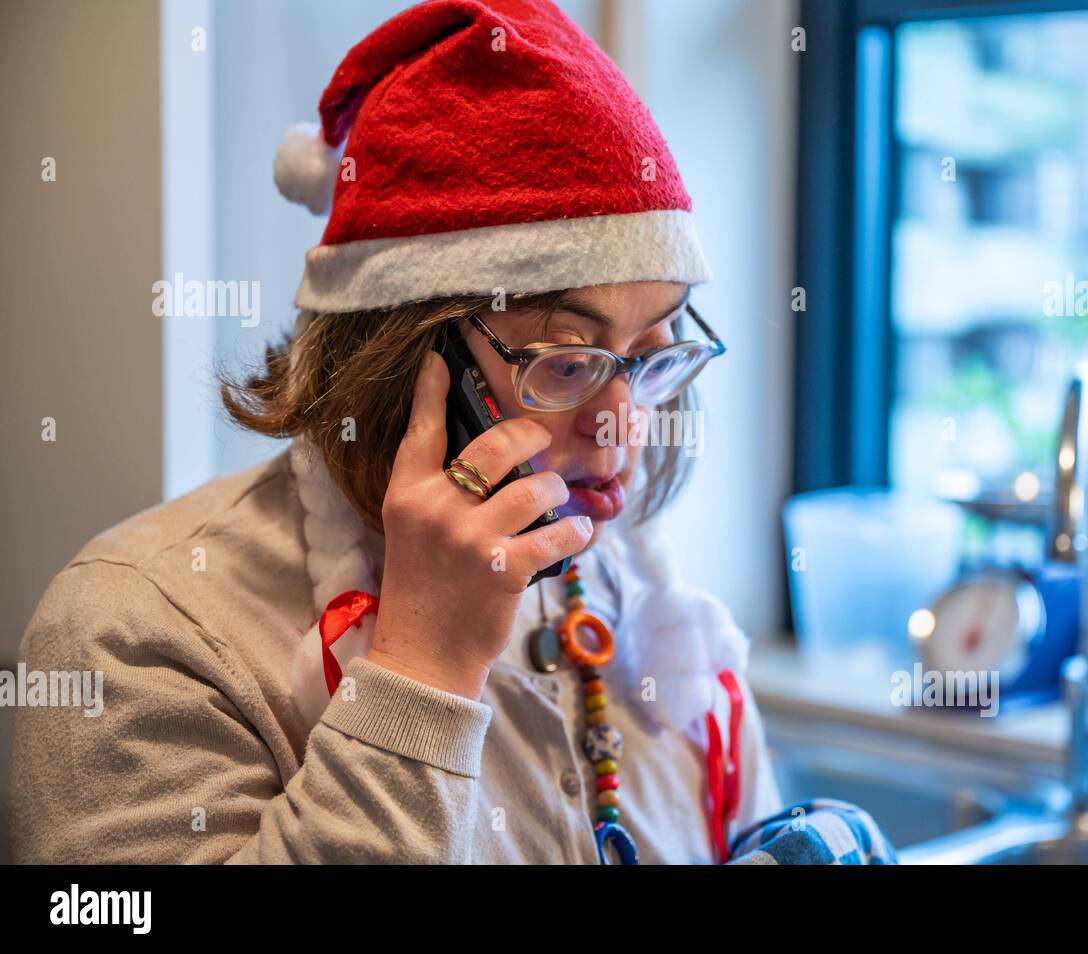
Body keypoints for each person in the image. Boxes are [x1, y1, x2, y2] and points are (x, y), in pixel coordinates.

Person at [9, 0, 789, 864]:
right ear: (399, 363)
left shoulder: (642, 602)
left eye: (655, 351)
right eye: (566, 363)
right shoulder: (136, 629)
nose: (621, 429)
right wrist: (422, 670)